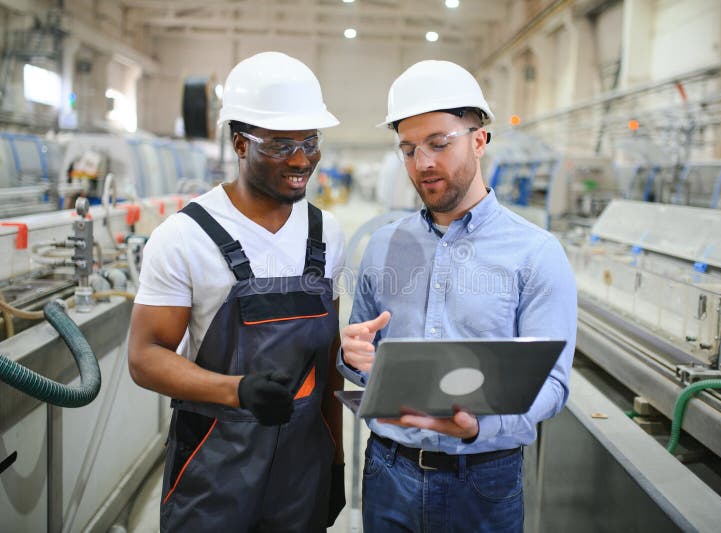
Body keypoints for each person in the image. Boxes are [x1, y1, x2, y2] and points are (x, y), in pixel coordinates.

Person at [338, 60, 577, 532]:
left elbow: (552, 383)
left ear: (479, 140)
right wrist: (351, 357)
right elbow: (362, 358)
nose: (422, 163)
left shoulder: (536, 254)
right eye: (408, 149)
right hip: (389, 471)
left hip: (483, 481)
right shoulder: (384, 245)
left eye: (439, 143)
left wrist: (481, 426)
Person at [128, 51, 346, 532]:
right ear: (240, 143)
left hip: (302, 472)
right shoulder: (185, 236)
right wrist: (235, 391)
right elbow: (145, 357)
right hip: (214, 469)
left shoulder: (326, 234)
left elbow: (328, 359)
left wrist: (336, 459)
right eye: (280, 145)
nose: (300, 160)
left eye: (310, 142)